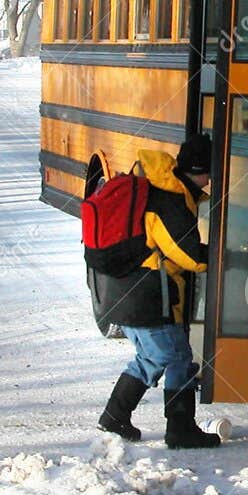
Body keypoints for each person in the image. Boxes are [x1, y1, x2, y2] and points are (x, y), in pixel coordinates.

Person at [93, 132, 221, 448]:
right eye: (210, 174)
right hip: (145, 295)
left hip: (133, 292)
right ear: (201, 170)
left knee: (164, 356)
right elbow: (188, 255)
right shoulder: (170, 200)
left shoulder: (169, 191)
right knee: (169, 354)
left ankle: (132, 419)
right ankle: (165, 426)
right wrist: (220, 253)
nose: (210, 182)